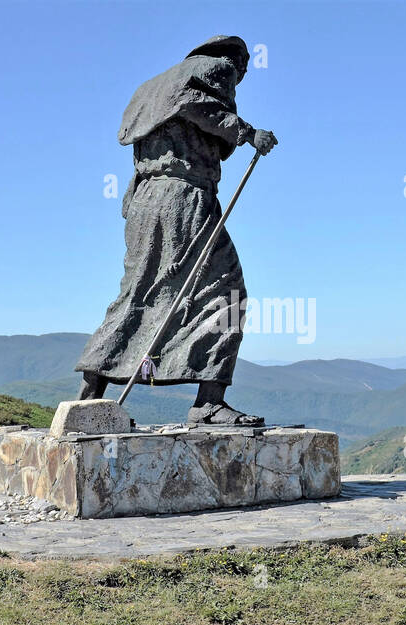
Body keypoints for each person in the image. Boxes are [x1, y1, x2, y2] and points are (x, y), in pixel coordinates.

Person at [74, 35, 277, 425]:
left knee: (140, 291)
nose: (240, 77)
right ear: (230, 58)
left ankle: (90, 393)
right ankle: (208, 404)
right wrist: (248, 133)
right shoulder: (216, 67)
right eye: (243, 68)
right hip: (184, 195)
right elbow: (194, 103)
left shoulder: (149, 87)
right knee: (227, 289)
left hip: (144, 201)